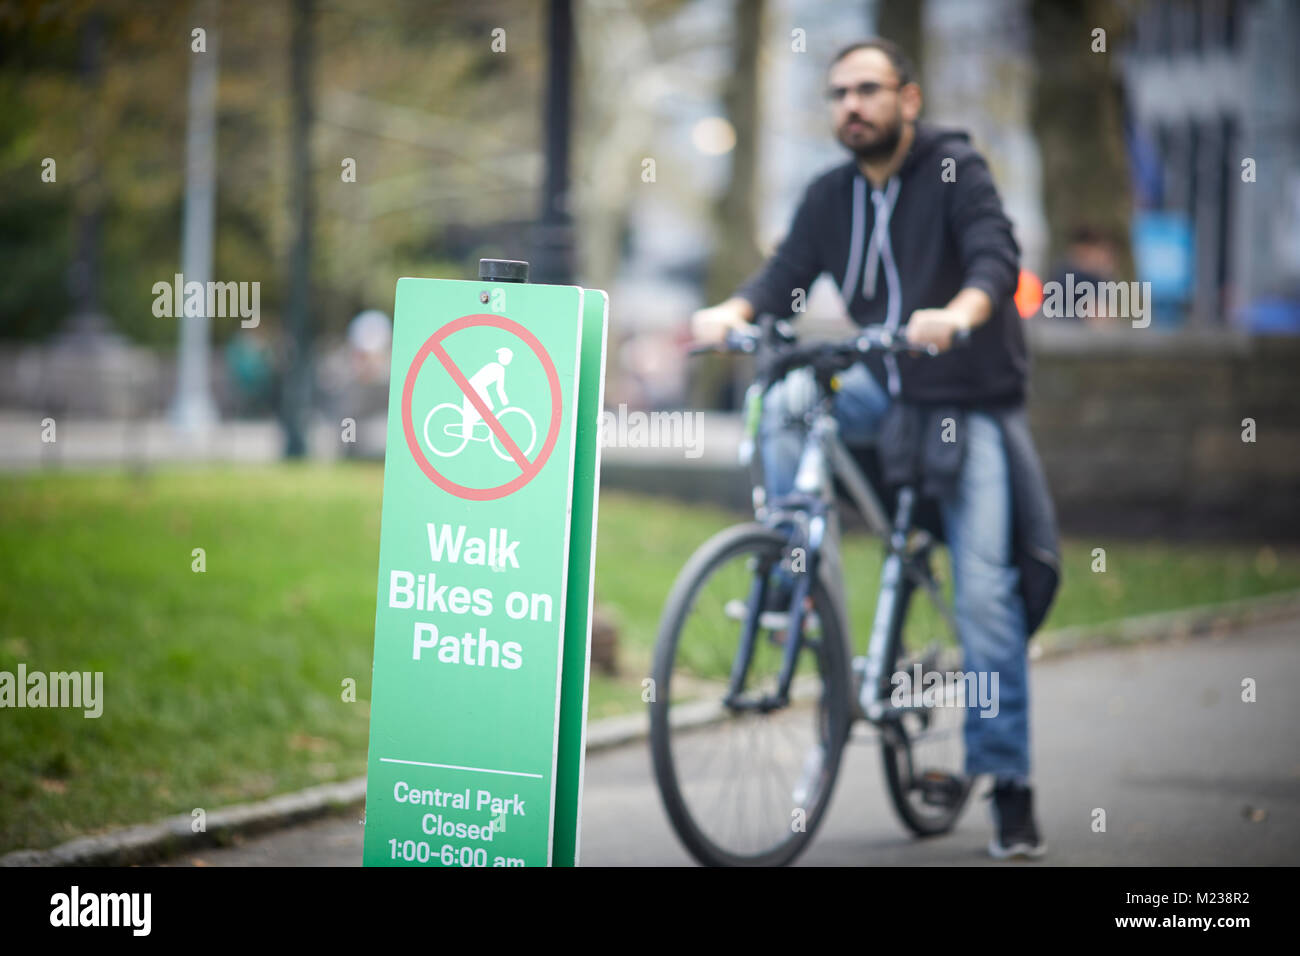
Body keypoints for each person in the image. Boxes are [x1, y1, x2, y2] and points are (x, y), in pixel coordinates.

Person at [692, 37, 1057, 860]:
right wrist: (733, 313)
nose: (851, 106)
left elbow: (997, 258)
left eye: (868, 90)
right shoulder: (830, 195)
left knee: (986, 596)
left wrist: (960, 313)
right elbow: (784, 278)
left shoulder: (958, 170)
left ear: (909, 99)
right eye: (838, 94)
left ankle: (1008, 786)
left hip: (967, 399)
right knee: (785, 395)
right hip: (886, 388)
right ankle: (792, 571)